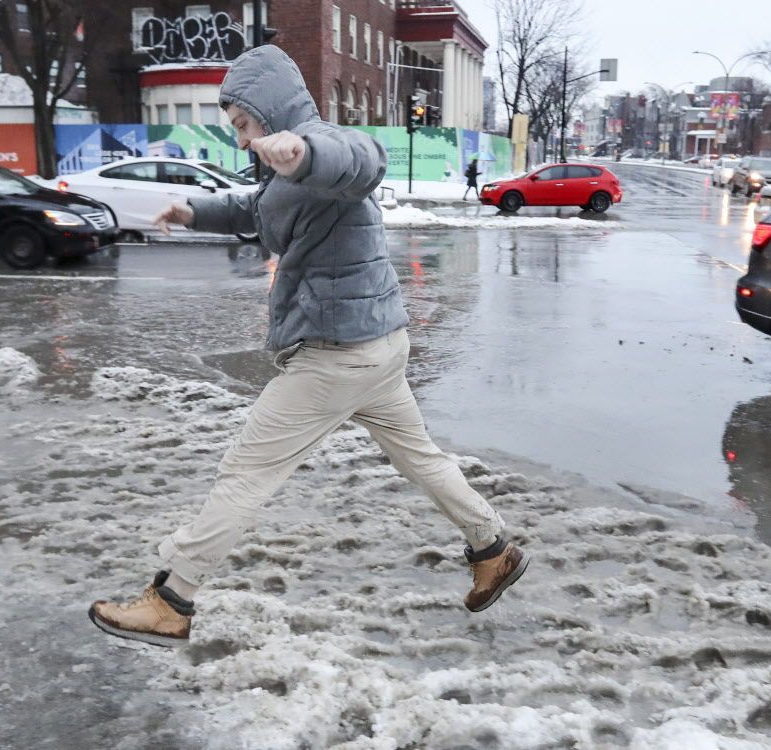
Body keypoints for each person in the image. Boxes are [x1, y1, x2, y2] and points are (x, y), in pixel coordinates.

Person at [88, 46, 528, 648]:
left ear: (270, 111)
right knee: (420, 458)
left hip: (337, 354)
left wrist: (303, 153)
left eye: (243, 126)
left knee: (246, 473)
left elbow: (363, 161)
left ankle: (172, 600)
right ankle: (492, 547)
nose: (242, 140)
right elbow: (258, 207)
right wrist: (193, 209)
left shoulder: (320, 148)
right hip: (377, 346)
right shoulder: (280, 171)